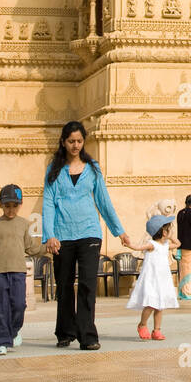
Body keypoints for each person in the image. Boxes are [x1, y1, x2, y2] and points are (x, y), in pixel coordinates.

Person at [42, 121, 134, 350]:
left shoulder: (92, 168)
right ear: (63, 142)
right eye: (71, 141)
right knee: (63, 284)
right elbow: (48, 203)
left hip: (89, 233)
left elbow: (103, 200)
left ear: (84, 142)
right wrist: (49, 235)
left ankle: (88, 335)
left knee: (87, 285)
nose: (75, 145)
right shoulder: (54, 169)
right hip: (62, 234)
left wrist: (118, 230)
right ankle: (64, 331)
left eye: (79, 141)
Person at [0, 184, 46, 355]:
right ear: (0, 205)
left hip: (18, 271)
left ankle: (13, 331)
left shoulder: (24, 224)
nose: (11, 210)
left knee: (19, 305)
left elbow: (31, 248)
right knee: (0, 308)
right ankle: (0, 343)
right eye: (7, 206)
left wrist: (47, 248)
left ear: (20, 204)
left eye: (14, 205)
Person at [128, 215, 179, 339]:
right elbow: (138, 247)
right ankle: (142, 325)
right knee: (151, 304)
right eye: (168, 229)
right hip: (152, 279)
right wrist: (129, 244)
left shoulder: (165, 245)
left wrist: (172, 237)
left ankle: (157, 330)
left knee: (160, 306)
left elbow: (178, 243)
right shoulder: (152, 245)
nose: (170, 231)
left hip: (162, 279)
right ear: (163, 232)